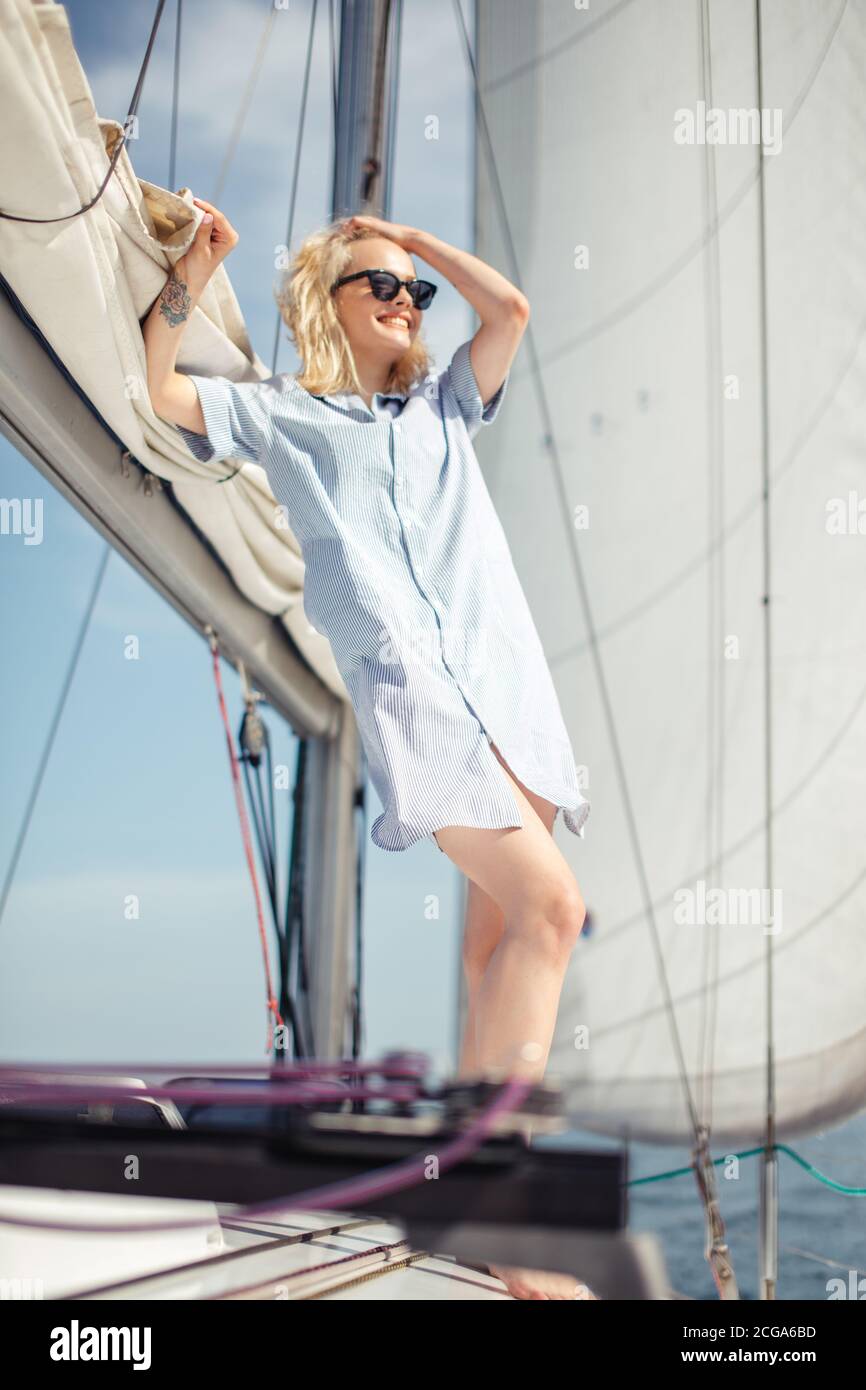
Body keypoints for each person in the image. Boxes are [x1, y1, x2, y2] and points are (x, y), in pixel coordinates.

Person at [144, 201, 595, 1300]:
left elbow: (513, 308)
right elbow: (158, 388)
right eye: (380, 286)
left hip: (513, 695)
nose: (404, 301)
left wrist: (407, 238)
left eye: (412, 291)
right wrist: (193, 273)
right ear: (328, 305)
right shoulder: (284, 418)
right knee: (553, 912)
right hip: (423, 706)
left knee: (495, 950)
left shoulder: (447, 408)